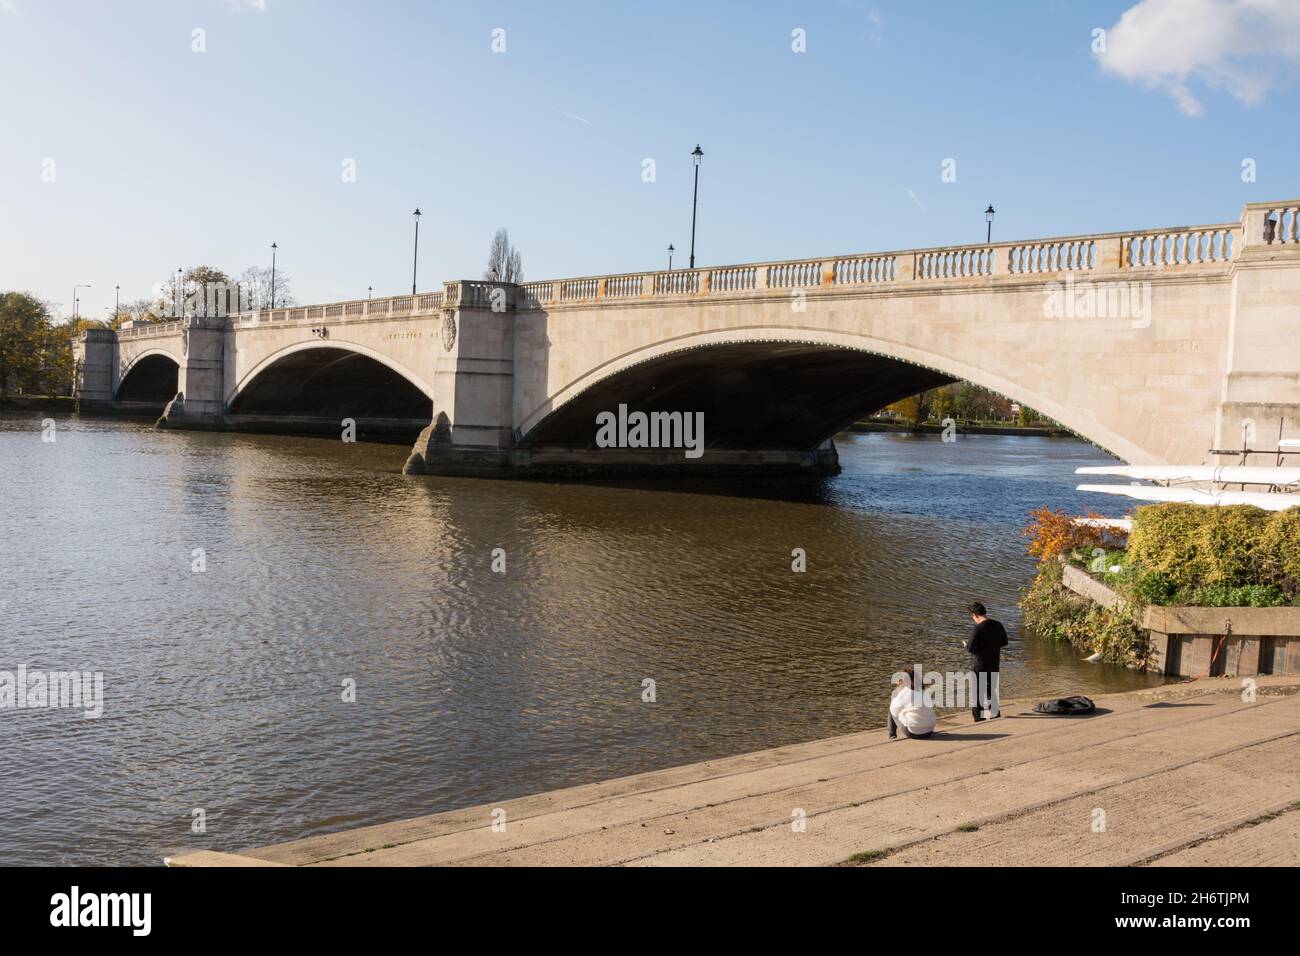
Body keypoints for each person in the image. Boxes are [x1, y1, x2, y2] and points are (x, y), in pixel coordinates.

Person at [962, 601, 1008, 722]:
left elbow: (970, 648)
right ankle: (995, 714)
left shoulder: (978, 629)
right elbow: (1004, 642)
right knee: (991, 690)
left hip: (980, 664)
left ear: (975, 615)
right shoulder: (998, 625)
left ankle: (979, 718)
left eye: (972, 616)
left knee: (977, 692)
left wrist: (966, 645)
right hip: (994, 662)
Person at [887, 670, 936, 740]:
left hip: (914, 733)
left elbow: (893, 711)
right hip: (929, 730)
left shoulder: (905, 692)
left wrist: (898, 694)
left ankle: (892, 735)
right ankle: (922, 727)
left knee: (891, 709)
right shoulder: (925, 693)